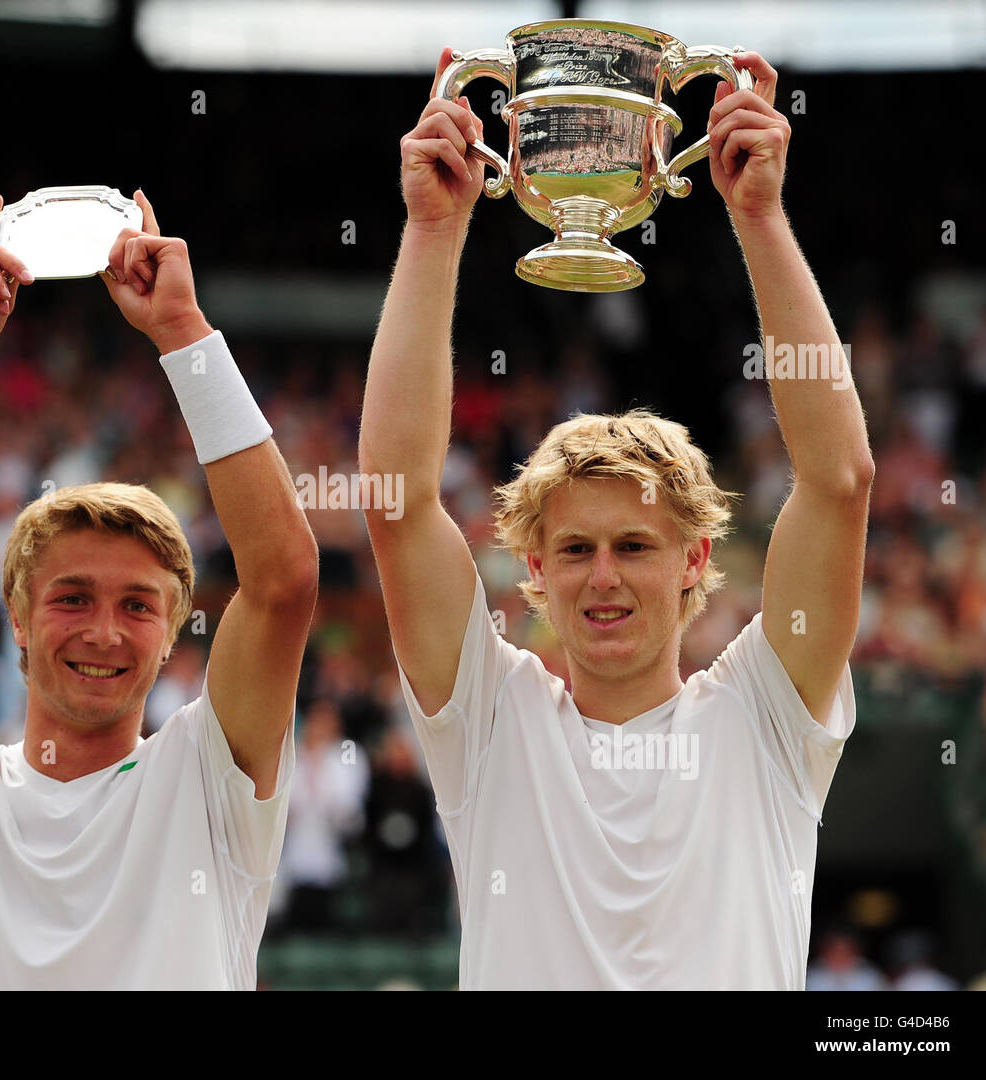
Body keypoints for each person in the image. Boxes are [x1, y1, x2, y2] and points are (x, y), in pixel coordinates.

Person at [359, 49, 874, 989]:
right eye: (577, 549)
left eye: (635, 545)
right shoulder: (491, 718)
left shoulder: (767, 714)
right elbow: (396, 503)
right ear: (536, 572)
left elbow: (838, 481)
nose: (603, 575)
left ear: (695, 559)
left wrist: (757, 218)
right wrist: (433, 230)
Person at [0, 192, 318, 989]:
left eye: (138, 605)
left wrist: (183, 332)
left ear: (173, 630)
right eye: (72, 597)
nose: (104, 631)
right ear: (17, 620)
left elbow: (283, 582)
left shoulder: (207, 775)